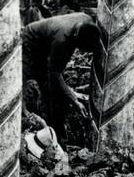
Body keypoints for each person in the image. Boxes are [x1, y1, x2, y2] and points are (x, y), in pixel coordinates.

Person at [21, 11, 99, 145]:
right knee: (43, 84)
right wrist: (74, 100)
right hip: (31, 40)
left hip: (47, 40)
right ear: (76, 41)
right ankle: (36, 120)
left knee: (53, 87)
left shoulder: (87, 21)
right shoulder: (62, 41)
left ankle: (56, 128)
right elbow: (55, 74)